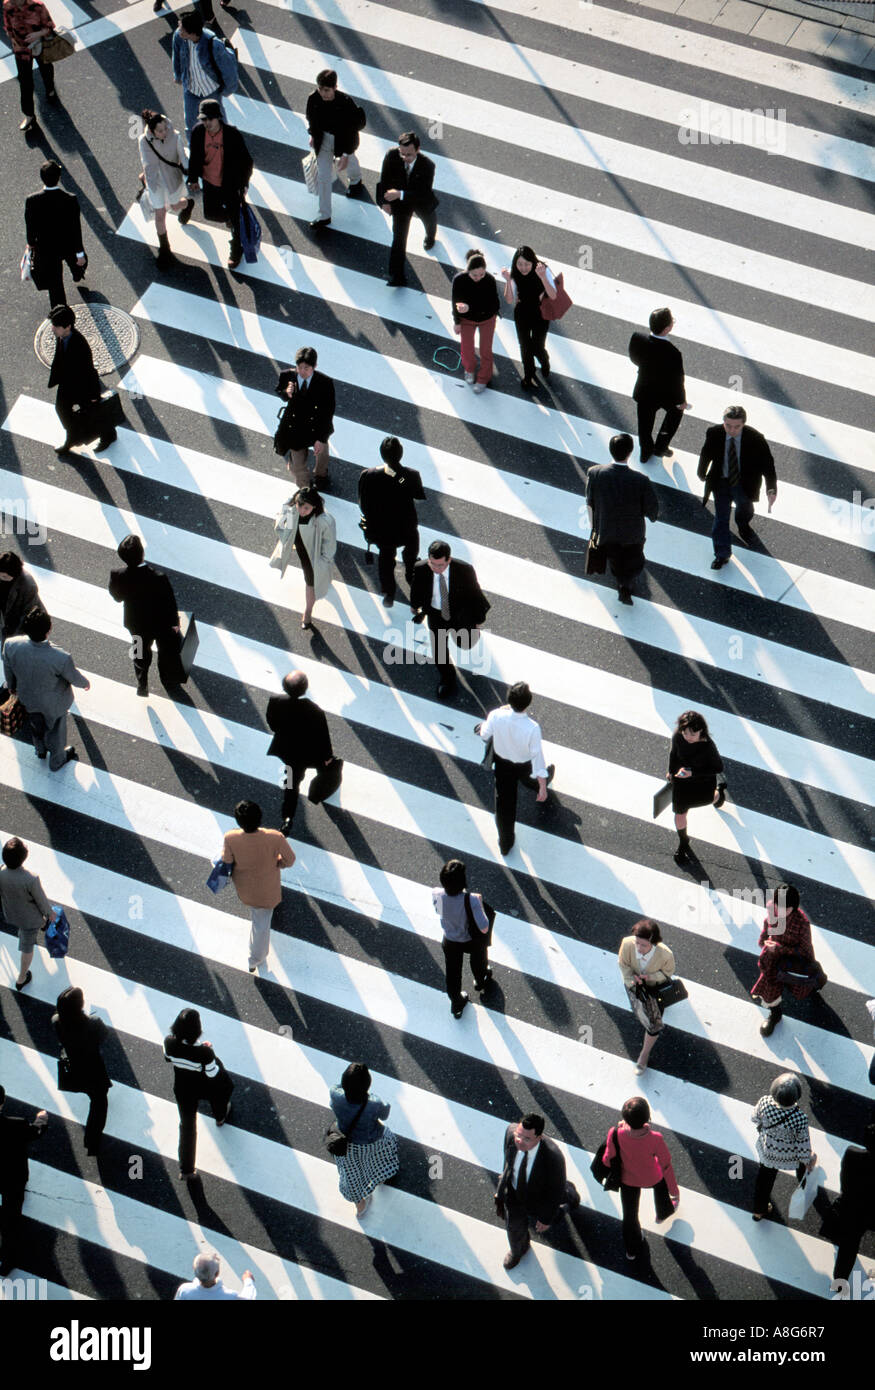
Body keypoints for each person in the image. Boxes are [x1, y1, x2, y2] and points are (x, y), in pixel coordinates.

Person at [3, 607, 90, 770]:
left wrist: (12, 687)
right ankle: (57, 760)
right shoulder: (60, 657)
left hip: (27, 698)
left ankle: (40, 749)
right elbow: (73, 676)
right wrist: (85, 683)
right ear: (49, 630)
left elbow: (8, 668)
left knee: (36, 726)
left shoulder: (11, 645)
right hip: (53, 704)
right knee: (56, 731)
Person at [494, 1113, 580, 1270]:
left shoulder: (553, 1157)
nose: (519, 1140)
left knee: (558, 1204)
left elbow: (554, 1191)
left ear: (539, 1138)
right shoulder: (510, 1132)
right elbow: (507, 1161)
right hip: (514, 1192)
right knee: (513, 1227)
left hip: (540, 1196)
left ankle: (571, 1198)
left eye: (527, 1139)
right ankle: (518, 1250)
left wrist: (546, 1219)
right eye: (518, 1135)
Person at [476, 682, 554, 856]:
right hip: (524, 765)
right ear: (528, 703)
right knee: (530, 779)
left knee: (504, 806)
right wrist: (542, 786)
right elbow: (537, 759)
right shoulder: (532, 728)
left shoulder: (496, 715)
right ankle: (539, 785)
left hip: (502, 764)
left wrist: (482, 727)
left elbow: (484, 735)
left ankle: (505, 843)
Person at [697, 405, 778, 570]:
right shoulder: (714, 433)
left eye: (736, 427)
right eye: (728, 425)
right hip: (721, 482)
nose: (731, 430)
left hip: (744, 484)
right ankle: (721, 554)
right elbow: (706, 453)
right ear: (723, 422)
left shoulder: (755, 439)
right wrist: (701, 471)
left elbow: (767, 465)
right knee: (721, 518)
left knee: (745, 508)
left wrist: (771, 488)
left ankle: (743, 524)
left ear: (743, 424)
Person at [409, 540, 490, 700]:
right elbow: (416, 588)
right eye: (433, 564)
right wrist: (414, 605)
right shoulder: (421, 569)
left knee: (465, 643)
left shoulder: (464, 570)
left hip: (459, 614)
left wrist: (478, 620)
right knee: (438, 650)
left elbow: (476, 595)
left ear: (449, 559)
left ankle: (473, 634)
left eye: (440, 565)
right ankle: (447, 678)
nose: (436, 569)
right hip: (435, 614)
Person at [221, 800, 295, 974]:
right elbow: (290, 860)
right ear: (260, 818)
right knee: (261, 925)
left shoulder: (230, 838)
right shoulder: (275, 837)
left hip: (246, 888)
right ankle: (255, 959)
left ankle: (255, 959)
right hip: (267, 891)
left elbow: (226, 862)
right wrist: (278, 863)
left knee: (259, 919)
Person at [585, 432, 659, 604]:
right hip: (632, 533)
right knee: (633, 561)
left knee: (614, 559)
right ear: (630, 452)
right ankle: (625, 584)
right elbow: (652, 511)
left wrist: (594, 528)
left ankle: (622, 581)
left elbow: (590, 502)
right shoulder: (641, 480)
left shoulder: (595, 473)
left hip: (606, 530)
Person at [602, 1096, 679, 1260]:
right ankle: (662, 1213)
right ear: (647, 1117)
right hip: (652, 1176)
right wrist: (674, 1191)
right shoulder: (656, 1138)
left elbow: (607, 1159)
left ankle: (631, 1250)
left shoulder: (615, 1133)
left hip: (627, 1179)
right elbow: (666, 1165)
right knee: (661, 1188)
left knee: (629, 1215)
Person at [108, 534, 184, 697]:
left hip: (135, 623)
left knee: (139, 652)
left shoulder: (117, 575)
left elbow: (117, 597)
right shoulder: (159, 577)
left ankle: (142, 683)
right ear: (142, 554)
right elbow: (170, 603)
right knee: (165, 652)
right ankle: (168, 681)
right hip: (160, 624)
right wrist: (175, 623)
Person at [164, 1008, 233, 1180]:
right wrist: (211, 1052)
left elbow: (168, 1058)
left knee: (187, 1126)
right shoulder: (204, 1052)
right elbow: (212, 1073)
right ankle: (220, 1116)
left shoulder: (169, 1042)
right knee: (221, 1089)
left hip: (182, 1087)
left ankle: (186, 1170)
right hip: (202, 1085)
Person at [265, 670, 337, 834]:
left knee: (292, 784)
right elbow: (323, 737)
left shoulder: (275, 701)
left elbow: (273, 724)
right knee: (323, 770)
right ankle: (320, 790)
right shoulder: (315, 711)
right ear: (305, 689)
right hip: (311, 753)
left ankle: (287, 818)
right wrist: (327, 757)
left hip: (289, 752)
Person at [750, 884, 825, 1037]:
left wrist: (779, 948)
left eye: (786, 909)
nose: (780, 912)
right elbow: (767, 929)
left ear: (794, 908)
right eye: (778, 906)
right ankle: (775, 1015)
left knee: (803, 986)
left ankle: (818, 983)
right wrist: (765, 940)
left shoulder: (802, 923)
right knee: (769, 988)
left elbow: (805, 951)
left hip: (794, 963)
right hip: (773, 961)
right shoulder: (773, 909)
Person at [357, 436, 424, 607]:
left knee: (386, 561)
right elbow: (417, 494)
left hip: (382, 529)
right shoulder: (411, 475)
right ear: (401, 454)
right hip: (406, 527)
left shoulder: (368, 475)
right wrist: (399, 478)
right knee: (411, 558)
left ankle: (389, 593)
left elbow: (363, 504)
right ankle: (414, 585)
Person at [186, 99, 252, 270]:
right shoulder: (198, 132)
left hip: (230, 183)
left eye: (210, 119)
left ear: (218, 118)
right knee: (210, 214)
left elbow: (247, 161)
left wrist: (244, 183)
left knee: (236, 220)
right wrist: (192, 178)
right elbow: (194, 157)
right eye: (204, 119)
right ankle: (231, 219)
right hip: (209, 181)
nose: (206, 123)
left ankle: (236, 250)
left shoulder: (232, 134)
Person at [328, 1063, 399, 1218]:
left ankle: (360, 1206)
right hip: (371, 1141)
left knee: (351, 1174)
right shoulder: (373, 1103)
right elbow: (384, 1114)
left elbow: (336, 1093)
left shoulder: (335, 1094)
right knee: (382, 1154)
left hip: (346, 1143)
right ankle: (380, 1177)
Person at [47, 305, 115, 457]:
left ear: (67, 326)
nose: (52, 329)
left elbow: (89, 372)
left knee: (95, 413)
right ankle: (73, 437)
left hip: (82, 386)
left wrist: (93, 395)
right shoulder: (62, 336)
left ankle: (108, 435)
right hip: (67, 383)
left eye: (56, 326)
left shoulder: (80, 345)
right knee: (62, 409)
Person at [52, 986, 111, 1157]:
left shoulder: (57, 1020)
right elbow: (103, 1036)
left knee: (95, 1099)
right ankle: (92, 1143)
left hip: (73, 1068)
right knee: (99, 1104)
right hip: (93, 1068)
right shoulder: (93, 1023)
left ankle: (92, 1142)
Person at [305, 67, 366, 228]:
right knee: (323, 177)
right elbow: (311, 118)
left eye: (326, 90)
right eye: (320, 89)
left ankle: (356, 180)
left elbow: (352, 131)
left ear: (334, 88)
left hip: (343, 141)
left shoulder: (345, 103)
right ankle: (324, 215)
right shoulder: (313, 99)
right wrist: (312, 134)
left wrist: (346, 153)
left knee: (349, 160)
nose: (323, 93)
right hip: (322, 140)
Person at [751, 1072, 816, 1222]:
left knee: (764, 1180)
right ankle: (804, 1183)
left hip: (768, 1150)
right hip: (789, 1154)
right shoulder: (799, 1117)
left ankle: (759, 1211)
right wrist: (807, 1159)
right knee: (802, 1165)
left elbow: (754, 1118)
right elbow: (802, 1143)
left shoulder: (765, 1102)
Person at [376, 131, 438, 287]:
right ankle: (396, 276)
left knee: (429, 220)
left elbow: (423, 193)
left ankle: (430, 236)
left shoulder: (428, 166)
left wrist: (400, 194)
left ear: (418, 149)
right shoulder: (391, 156)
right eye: (402, 153)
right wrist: (384, 201)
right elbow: (384, 180)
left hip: (419, 200)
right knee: (399, 238)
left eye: (409, 154)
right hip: (400, 204)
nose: (404, 158)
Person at [270, 486, 337, 630]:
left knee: (311, 582)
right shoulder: (291, 511)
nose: (302, 511)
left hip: (312, 556)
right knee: (315, 580)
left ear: (314, 506)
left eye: (306, 508)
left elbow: (329, 547)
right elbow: (280, 528)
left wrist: (323, 563)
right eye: (299, 505)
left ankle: (308, 612)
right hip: (300, 548)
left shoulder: (324, 521)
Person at [628, 307, 690, 463]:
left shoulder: (637, 338)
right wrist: (681, 401)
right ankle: (661, 446)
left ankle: (645, 451)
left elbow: (634, 358)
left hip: (645, 390)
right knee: (675, 414)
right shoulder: (673, 353)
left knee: (644, 425)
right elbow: (678, 381)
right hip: (666, 394)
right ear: (668, 328)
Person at [432, 858, 492, 1018]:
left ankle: (456, 1002)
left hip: (450, 940)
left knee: (452, 973)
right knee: (478, 959)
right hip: (470, 940)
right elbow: (484, 926)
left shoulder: (437, 894)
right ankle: (481, 980)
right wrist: (478, 903)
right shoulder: (471, 899)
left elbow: (439, 912)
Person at [666, 709, 727, 865]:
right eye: (685, 733)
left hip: (702, 781)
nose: (688, 737)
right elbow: (673, 754)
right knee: (680, 813)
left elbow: (718, 768)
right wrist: (672, 772)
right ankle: (683, 841)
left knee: (710, 799)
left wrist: (692, 772)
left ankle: (719, 794)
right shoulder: (678, 736)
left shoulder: (708, 747)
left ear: (702, 731)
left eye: (693, 734)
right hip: (682, 781)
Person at [24, 160, 86, 309]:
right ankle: (77, 274)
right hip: (67, 244)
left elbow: (30, 226)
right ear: (59, 177)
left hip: (46, 249)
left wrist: (31, 243)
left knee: (55, 285)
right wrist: (79, 253)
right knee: (77, 262)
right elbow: (76, 229)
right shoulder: (70, 199)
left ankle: (60, 314)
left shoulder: (32, 201)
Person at [0, 835, 59, 991]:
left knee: (24, 933)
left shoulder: (1, 872)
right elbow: (41, 901)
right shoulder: (30, 879)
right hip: (29, 920)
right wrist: (50, 914)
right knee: (27, 947)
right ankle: (22, 978)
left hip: (11, 913)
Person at [0, 1085, 48, 1277]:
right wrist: (42, 1119)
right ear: (2, 1103)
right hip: (13, 1177)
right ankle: (8, 1260)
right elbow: (36, 1132)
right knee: (11, 1219)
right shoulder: (16, 1125)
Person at [138, 109, 194, 271]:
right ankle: (165, 249)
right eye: (160, 131)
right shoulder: (144, 141)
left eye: (165, 129)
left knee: (175, 206)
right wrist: (147, 180)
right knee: (160, 214)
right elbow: (146, 162)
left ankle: (187, 204)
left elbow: (183, 158)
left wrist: (191, 174)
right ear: (152, 131)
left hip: (172, 180)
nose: (164, 133)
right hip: (155, 183)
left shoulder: (175, 136)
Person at [273, 348, 336, 490]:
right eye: (299, 367)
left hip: (317, 427)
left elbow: (328, 411)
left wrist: (321, 438)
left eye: (306, 368)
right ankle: (305, 490)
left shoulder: (325, 383)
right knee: (299, 467)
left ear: (314, 367)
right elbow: (279, 391)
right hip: (295, 427)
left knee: (322, 455)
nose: (302, 371)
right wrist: (286, 393)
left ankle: (321, 475)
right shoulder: (288, 376)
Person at [617, 919, 675, 1074]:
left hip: (655, 989)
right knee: (642, 1011)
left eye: (644, 945)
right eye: (637, 943)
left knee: (653, 1024)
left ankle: (644, 1054)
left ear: (654, 943)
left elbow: (667, 973)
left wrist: (650, 978)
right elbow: (623, 964)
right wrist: (632, 982)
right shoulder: (627, 943)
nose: (639, 948)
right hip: (634, 986)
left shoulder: (665, 955)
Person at [172, 10, 237, 143]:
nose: (179, 30)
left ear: (191, 32)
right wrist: (178, 76)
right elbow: (176, 57)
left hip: (210, 90)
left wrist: (227, 91)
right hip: (191, 88)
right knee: (191, 124)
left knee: (217, 123)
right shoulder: (179, 37)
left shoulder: (213, 44)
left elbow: (228, 70)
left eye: (182, 28)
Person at [500, 245, 558, 390]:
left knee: (538, 346)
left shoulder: (542, 270)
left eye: (526, 264)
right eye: (520, 264)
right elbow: (509, 299)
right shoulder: (515, 273)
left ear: (533, 262)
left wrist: (543, 277)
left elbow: (553, 295)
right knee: (525, 347)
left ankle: (544, 360)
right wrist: (508, 281)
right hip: (522, 312)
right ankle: (528, 375)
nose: (523, 268)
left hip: (540, 313)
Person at [3, 0, 58, 134]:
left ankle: (50, 88)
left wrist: (37, 34)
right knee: (25, 83)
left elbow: (50, 26)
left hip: (40, 45)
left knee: (46, 70)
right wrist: (14, 40)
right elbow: (8, 27)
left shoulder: (37, 6)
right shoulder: (7, 6)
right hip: (21, 50)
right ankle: (29, 115)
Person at [452, 249, 501, 393]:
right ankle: (469, 369)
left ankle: (483, 378)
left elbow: (494, 304)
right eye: (475, 275)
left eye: (482, 274)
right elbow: (455, 301)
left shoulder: (490, 280)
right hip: (467, 319)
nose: (478, 277)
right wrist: (457, 321)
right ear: (468, 270)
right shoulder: (459, 280)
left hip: (487, 318)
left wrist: (469, 307)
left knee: (486, 349)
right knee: (466, 348)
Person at [832, 1124, 875, 1285]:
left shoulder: (852, 1154)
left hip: (853, 1208)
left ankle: (840, 1281)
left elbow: (844, 1180)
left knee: (848, 1248)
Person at [0, 552, 43, 645]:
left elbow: (27, 615)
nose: (1, 578)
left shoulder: (28, 585)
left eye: (4, 576)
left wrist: (14, 640)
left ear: (14, 575)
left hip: (16, 620)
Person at [175, 1252, 256, 1300]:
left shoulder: (184, 1290)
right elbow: (248, 1297)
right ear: (217, 1273)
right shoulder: (230, 1296)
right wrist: (248, 1281)